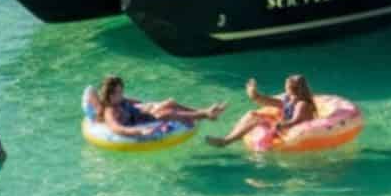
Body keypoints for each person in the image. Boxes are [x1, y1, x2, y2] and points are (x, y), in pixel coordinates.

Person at [96, 76, 226, 138]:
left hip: (142, 114)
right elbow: (117, 129)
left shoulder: (121, 100)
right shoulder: (110, 111)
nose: (121, 94)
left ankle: (202, 113)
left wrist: (149, 106)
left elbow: (138, 103)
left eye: (121, 91)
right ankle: (206, 114)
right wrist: (140, 132)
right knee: (165, 113)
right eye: (118, 92)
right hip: (139, 123)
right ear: (109, 95)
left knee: (170, 103)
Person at [206, 76, 317, 147]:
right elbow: (266, 101)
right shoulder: (289, 100)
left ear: (294, 89)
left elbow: (295, 121)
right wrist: (254, 94)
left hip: (295, 131)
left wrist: (280, 125)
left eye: (287, 87)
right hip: (286, 126)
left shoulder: (302, 104)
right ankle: (231, 137)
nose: (285, 88)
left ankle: (225, 142)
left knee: (258, 121)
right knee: (251, 114)